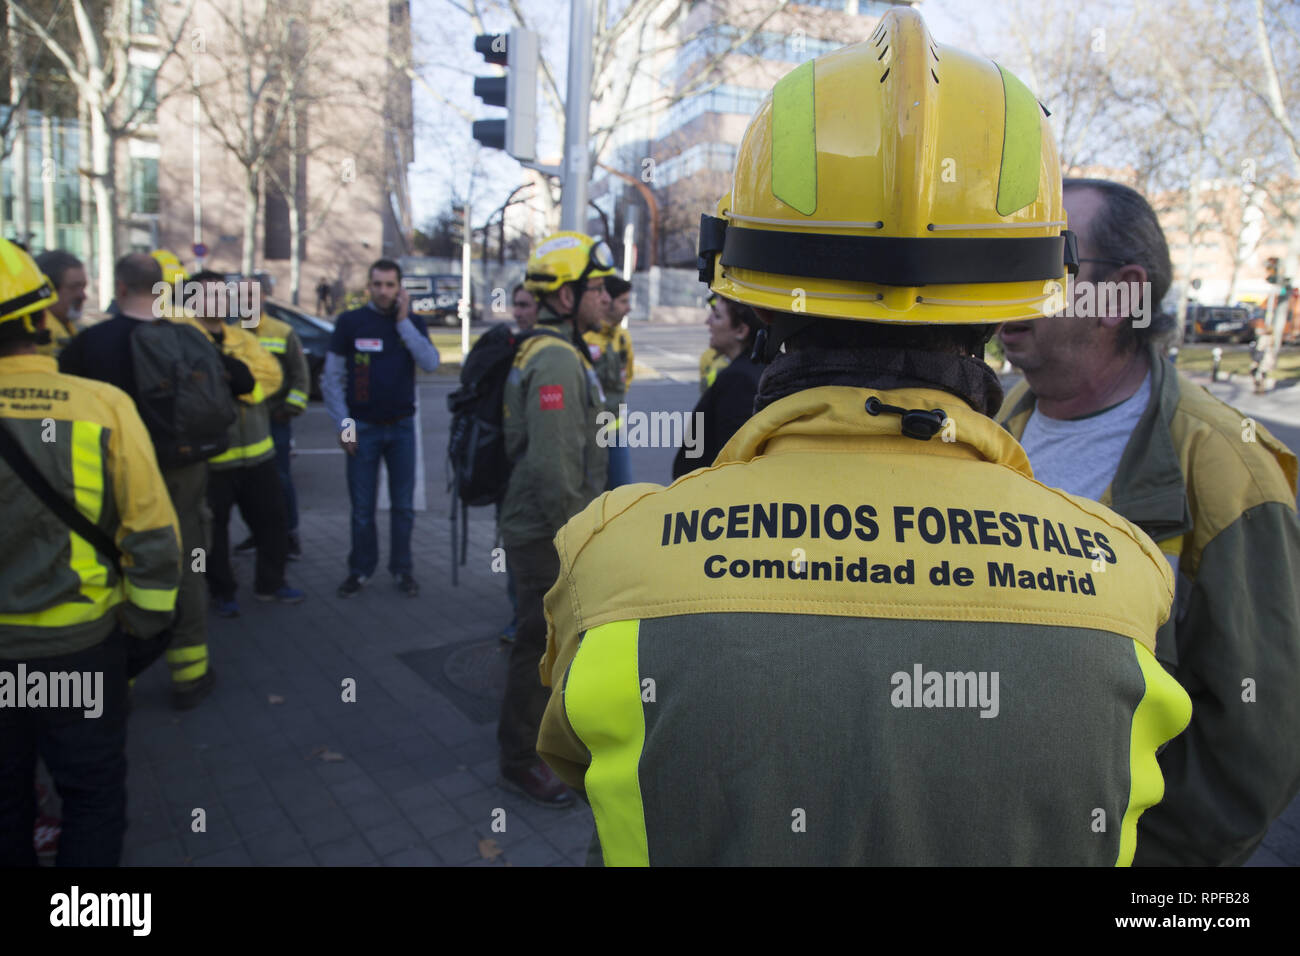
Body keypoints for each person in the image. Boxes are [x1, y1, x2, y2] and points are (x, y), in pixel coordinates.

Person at [535, 9, 1193, 866]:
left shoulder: (612, 556)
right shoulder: (1125, 576)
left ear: (746, 287)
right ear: (1022, 295)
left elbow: (574, 755)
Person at [998, 177, 1300, 866]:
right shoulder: (992, 426)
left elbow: (1252, 751)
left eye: (1041, 267)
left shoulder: (1228, 470)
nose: (1008, 290)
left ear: (1123, 293)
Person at [0, 238, 181, 865]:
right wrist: (140, 636)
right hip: (80, 650)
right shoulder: (101, 407)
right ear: (39, 318)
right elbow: (154, 539)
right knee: (92, 800)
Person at [59, 253, 249, 708]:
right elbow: (234, 384)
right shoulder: (189, 338)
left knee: (114, 559)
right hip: (182, 469)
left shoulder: (89, 344)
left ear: (120, 288)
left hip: (107, 472)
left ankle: (118, 675)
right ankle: (191, 673)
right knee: (187, 563)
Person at [498, 231, 613, 807]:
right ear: (564, 298)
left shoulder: (557, 353)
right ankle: (521, 759)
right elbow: (551, 469)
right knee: (537, 644)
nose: (603, 297)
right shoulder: (555, 362)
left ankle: (546, 744)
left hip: (543, 527)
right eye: (593, 288)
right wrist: (579, 544)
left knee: (550, 642)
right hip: (546, 533)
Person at [184, 271, 302, 614]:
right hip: (212, 460)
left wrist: (242, 390)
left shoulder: (242, 337)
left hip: (257, 454)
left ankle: (271, 584)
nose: (217, 302)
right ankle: (223, 593)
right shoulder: (183, 340)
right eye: (207, 295)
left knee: (273, 523)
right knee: (214, 535)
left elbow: (272, 376)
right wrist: (230, 383)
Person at [323, 258, 439, 598]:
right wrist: (344, 426)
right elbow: (331, 380)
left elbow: (431, 363)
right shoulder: (350, 323)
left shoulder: (412, 322)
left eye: (390, 285)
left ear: (400, 288)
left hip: (402, 428)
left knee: (403, 507)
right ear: (368, 287)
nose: (384, 291)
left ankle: (402, 569)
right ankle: (360, 570)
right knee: (362, 509)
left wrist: (403, 323)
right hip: (363, 429)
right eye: (378, 284)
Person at [234, 280, 311, 560]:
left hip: (275, 421)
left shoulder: (282, 332)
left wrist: (288, 410)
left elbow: (301, 378)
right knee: (248, 485)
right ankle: (258, 534)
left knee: (279, 479)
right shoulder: (231, 334)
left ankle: (290, 535)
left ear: (265, 297)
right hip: (242, 423)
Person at [671, 293, 762, 479]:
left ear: (741, 331)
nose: (708, 321)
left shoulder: (738, 379)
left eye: (718, 316)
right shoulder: (753, 369)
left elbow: (732, 457)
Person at [584, 275, 636, 488]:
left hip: (615, 433)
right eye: (623, 301)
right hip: (587, 436)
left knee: (621, 496)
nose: (628, 308)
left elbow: (628, 377)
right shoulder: (585, 337)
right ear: (607, 301)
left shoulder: (623, 337)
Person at [33, 250, 88, 358]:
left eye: (83, 287)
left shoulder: (74, 332)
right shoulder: (36, 341)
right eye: (74, 287)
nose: (83, 296)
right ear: (48, 291)